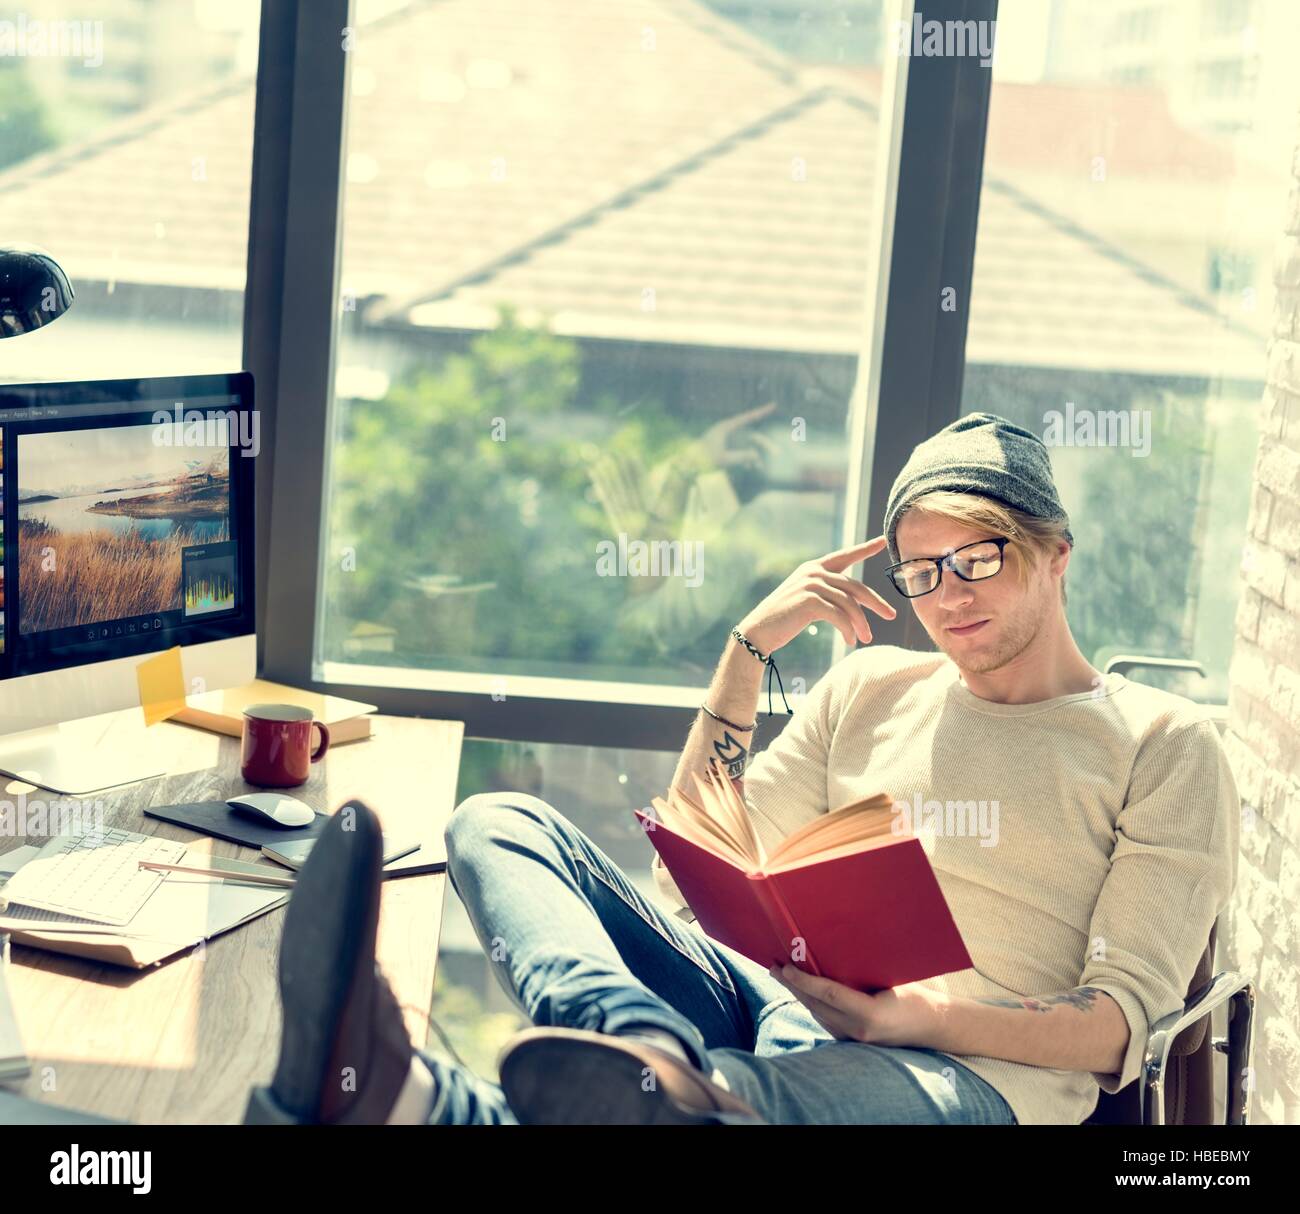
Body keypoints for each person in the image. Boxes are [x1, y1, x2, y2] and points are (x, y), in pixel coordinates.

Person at [246, 412, 1239, 1126]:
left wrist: (914, 1014)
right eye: (919, 570)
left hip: (965, 1079)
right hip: (782, 995)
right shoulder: (869, 686)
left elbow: (1118, 1027)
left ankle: (421, 1096)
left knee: (734, 1101)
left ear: (1054, 552)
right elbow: (688, 869)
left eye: (977, 559)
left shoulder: (1161, 741)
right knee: (497, 824)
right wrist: (744, 653)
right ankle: (637, 1038)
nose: (946, 596)